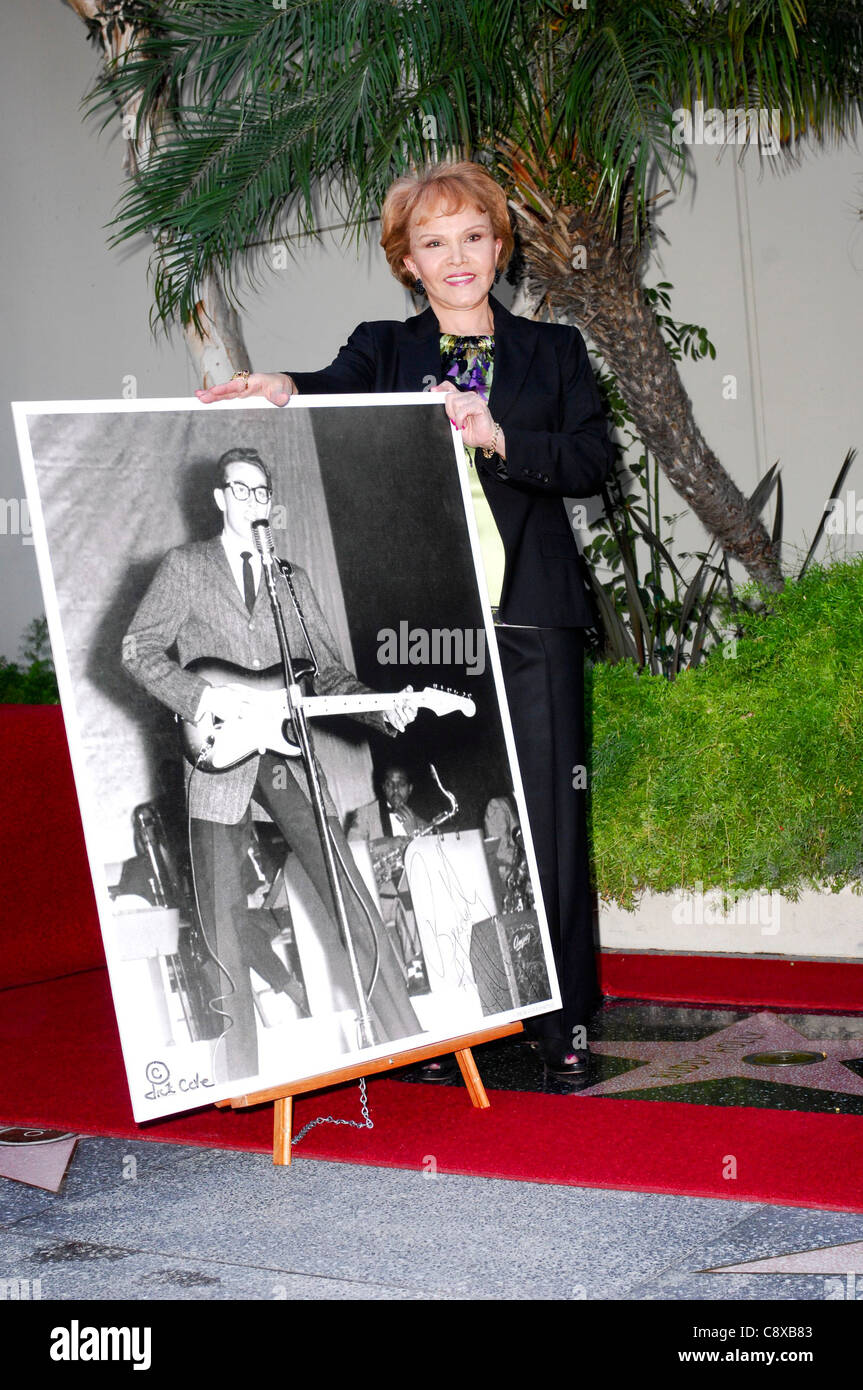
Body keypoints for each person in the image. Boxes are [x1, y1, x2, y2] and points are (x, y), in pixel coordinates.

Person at [197, 162, 615, 1076]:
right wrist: (280, 385)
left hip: (530, 620)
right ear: (408, 264)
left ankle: (563, 1027)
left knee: (548, 826)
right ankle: (446, 1029)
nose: (457, 256)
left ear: (499, 248)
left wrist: (498, 436)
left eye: (473, 236)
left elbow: (592, 461)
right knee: (427, 818)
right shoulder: (383, 347)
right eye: (434, 242)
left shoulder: (556, 353)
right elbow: (325, 386)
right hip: (422, 633)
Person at [121, 446, 422, 1083]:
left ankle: (411, 1043)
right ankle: (240, 1084)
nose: (255, 503)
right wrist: (202, 697)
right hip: (217, 754)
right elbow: (137, 649)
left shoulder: (293, 581)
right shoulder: (186, 567)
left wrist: (382, 709)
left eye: (264, 493)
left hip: (286, 752)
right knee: (224, 927)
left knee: (350, 895)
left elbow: (331, 674)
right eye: (242, 490)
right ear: (220, 498)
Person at [346, 764, 429, 987]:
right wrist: (385, 844)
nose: (395, 790)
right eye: (390, 784)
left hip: (409, 891)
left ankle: (416, 971)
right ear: (383, 787)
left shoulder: (419, 821)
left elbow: (433, 856)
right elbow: (350, 851)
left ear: (410, 788)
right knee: (406, 897)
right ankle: (413, 971)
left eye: (401, 784)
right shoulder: (364, 816)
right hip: (375, 894)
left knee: (408, 895)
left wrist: (414, 833)